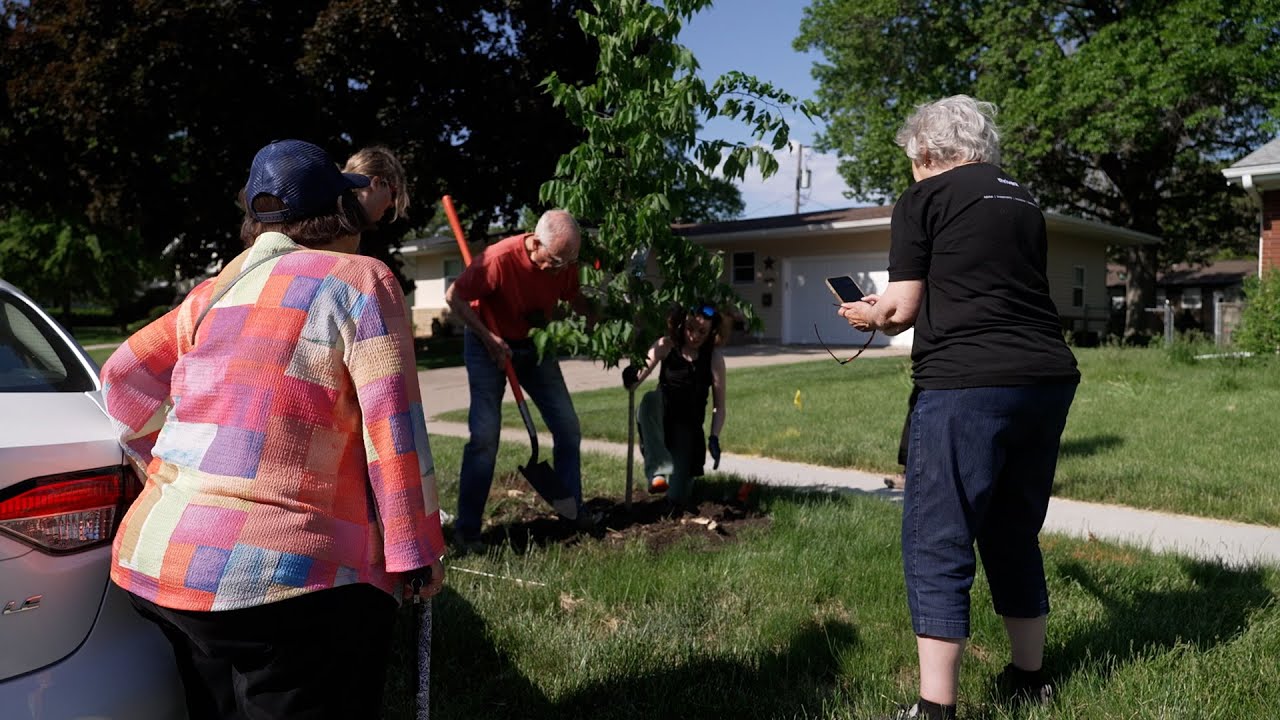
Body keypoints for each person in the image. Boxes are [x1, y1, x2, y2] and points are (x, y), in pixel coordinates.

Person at [100, 139, 446, 720]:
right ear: (342, 210)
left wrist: (166, 462)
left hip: (160, 558)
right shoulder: (359, 280)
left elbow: (120, 380)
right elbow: (394, 429)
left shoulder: (212, 294)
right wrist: (417, 552)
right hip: (284, 578)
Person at [837, 96, 1080, 720]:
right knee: (1011, 529)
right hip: (1046, 377)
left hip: (968, 381)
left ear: (926, 153)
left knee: (937, 536)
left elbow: (902, 308)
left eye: (912, 161)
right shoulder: (1022, 198)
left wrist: (868, 311)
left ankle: (935, 708)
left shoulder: (923, 199)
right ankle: (1029, 679)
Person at [445, 209, 587, 551]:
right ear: (535, 243)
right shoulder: (498, 259)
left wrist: (604, 322)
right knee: (485, 436)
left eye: (568, 262)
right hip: (487, 343)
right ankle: (467, 531)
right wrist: (488, 338)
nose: (561, 270)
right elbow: (454, 297)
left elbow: (575, 301)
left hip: (533, 343)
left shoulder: (564, 264)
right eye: (555, 261)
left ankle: (572, 512)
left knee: (568, 428)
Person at [622, 303, 728, 506]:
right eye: (690, 328)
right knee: (649, 401)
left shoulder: (714, 359)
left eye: (702, 331)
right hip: (662, 420)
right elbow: (635, 382)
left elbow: (720, 407)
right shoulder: (666, 345)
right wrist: (630, 376)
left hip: (688, 430)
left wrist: (714, 436)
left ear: (711, 331)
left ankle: (677, 480)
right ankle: (658, 470)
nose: (694, 336)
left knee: (678, 500)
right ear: (681, 324)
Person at [343, 145, 410, 225]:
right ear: (376, 183)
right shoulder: (342, 231)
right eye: (393, 195)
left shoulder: (336, 218)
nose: (391, 204)